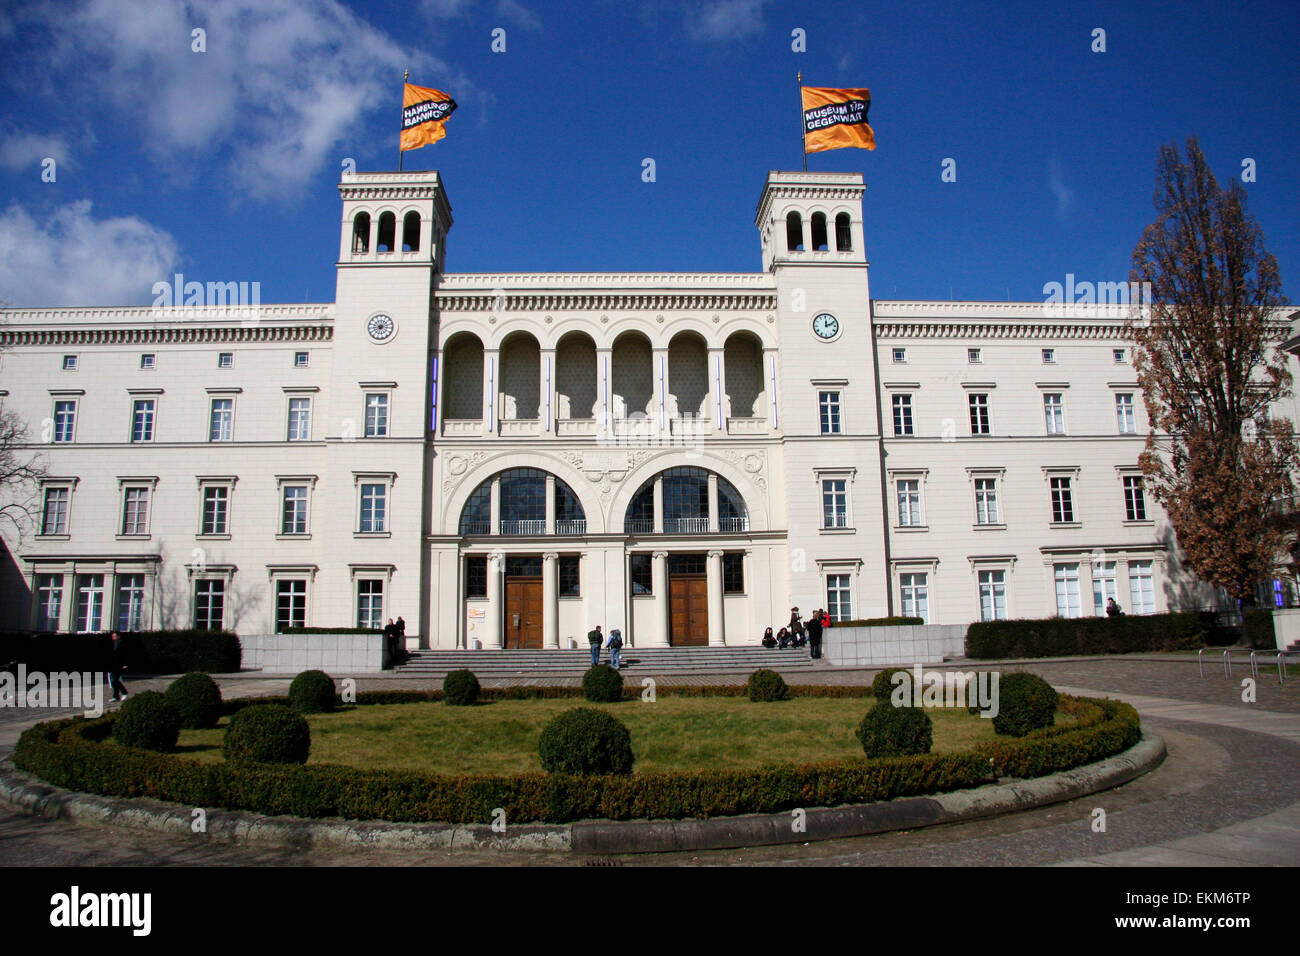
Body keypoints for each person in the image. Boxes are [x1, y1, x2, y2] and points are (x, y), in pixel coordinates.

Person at [107, 631, 129, 702]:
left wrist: (125, 664)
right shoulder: (114, 644)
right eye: (112, 636)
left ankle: (124, 692)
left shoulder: (122, 644)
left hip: (120, 665)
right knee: (113, 681)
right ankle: (116, 696)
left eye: (114, 636)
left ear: (118, 636)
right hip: (114, 665)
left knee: (115, 680)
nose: (113, 638)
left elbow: (125, 655)